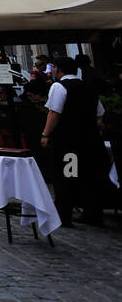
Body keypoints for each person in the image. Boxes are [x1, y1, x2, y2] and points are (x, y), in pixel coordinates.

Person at [41, 56, 110, 227]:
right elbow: (99, 116)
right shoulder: (89, 87)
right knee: (89, 177)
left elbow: (54, 113)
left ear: (57, 69)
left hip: (69, 142)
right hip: (90, 141)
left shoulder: (59, 86)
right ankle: (93, 213)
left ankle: (64, 214)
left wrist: (45, 134)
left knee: (68, 176)